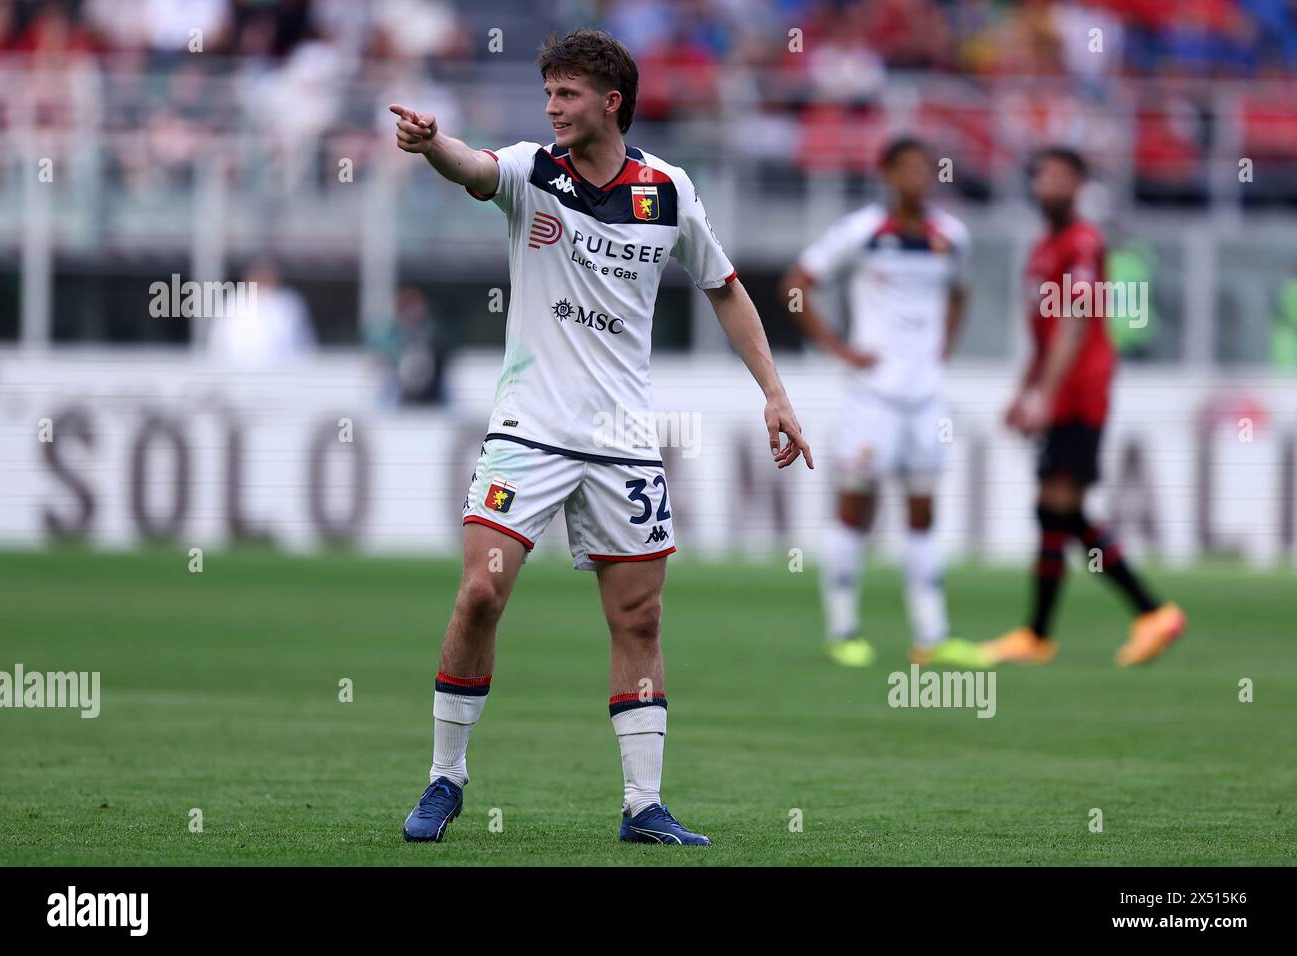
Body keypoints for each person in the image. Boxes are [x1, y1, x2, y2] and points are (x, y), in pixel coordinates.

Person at [389, 29, 813, 846]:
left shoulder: (668, 191)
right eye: (548, 93)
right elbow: (473, 169)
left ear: (610, 101)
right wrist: (431, 141)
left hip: (622, 438)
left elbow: (725, 289)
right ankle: (445, 780)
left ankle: (642, 804)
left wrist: (774, 393)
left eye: (566, 93)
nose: (551, 107)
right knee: (481, 591)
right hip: (530, 430)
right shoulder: (531, 171)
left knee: (640, 620)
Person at [979, 147, 1185, 667]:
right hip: (1058, 391)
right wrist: (1023, 390)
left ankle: (1143, 613)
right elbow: (1043, 334)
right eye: (1043, 174)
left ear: (1078, 186)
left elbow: (1073, 321)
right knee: (1057, 512)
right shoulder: (1042, 247)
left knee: (1057, 508)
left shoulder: (1084, 243)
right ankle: (1052, 631)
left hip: (1081, 393)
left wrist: (1044, 395)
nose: (1050, 185)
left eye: (1062, 176)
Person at [781, 136, 981, 668]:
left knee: (923, 511)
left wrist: (942, 349)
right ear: (887, 175)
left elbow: (962, 292)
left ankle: (931, 635)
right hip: (872, 398)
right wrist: (841, 349)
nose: (917, 178)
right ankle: (843, 629)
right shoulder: (861, 232)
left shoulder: (952, 236)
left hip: (926, 398)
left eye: (924, 168)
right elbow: (796, 285)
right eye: (906, 169)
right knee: (856, 508)